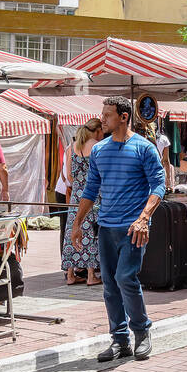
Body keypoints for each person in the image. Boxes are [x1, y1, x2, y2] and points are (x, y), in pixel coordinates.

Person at [70, 97, 167, 363]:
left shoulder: (144, 148)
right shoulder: (99, 150)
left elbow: (159, 186)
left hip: (133, 228)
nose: (103, 119)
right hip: (106, 228)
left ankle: (142, 331)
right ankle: (120, 340)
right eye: (102, 114)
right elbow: (90, 191)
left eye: (108, 115)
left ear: (124, 117)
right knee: (110, 285)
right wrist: (77, 223)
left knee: (125, 278)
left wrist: (144, 218)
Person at [62, 119, 103, 286]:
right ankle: (91, 275)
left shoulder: (72, 147)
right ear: (98, 130)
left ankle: (70, 274)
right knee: (91, 233)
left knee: (73, 231)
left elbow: (69, 176)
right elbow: (101, 172)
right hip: (92, 195)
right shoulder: (97, 146)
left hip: (76, 196)